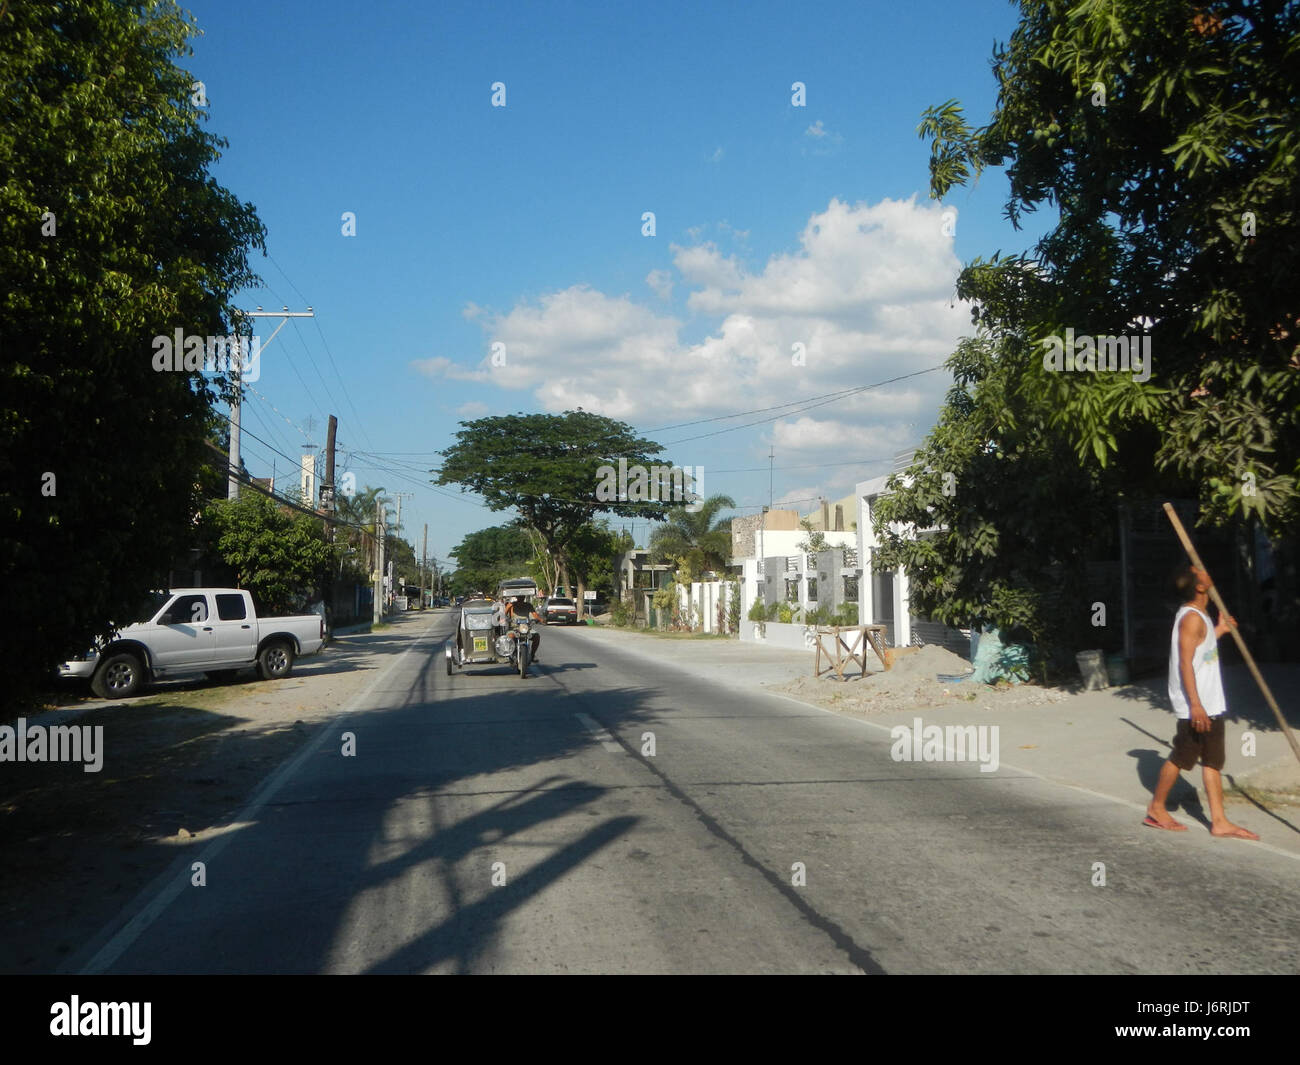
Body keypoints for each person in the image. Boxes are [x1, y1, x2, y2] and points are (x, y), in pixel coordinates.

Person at [1144, 565, 1259, 839]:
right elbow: (1185, 664)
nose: (1206, 571)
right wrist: (1195, 705)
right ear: (1199, 586)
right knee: (1182, 757)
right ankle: (1156, 808)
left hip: (1211, 702)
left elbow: (1201, 652)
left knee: (1212, 762)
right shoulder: (1191, 618)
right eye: (1200, 571)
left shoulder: (1200, 616)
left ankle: (1219, 821)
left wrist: (1219, 630)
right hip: (1196, 705)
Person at [500, 595, 542, 660]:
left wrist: (541, 620)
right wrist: (507, 608)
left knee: (537, 636)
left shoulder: (528, 605)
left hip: (526, 628)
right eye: (519, 596)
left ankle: (532, 655)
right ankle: (510, 654)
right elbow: (504, 614)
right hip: (514, 628)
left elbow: (535, 615)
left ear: (524, 597)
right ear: (517, 597)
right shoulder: (511, 605)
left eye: (522, 596)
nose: (521, 598)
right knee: (510, 636)